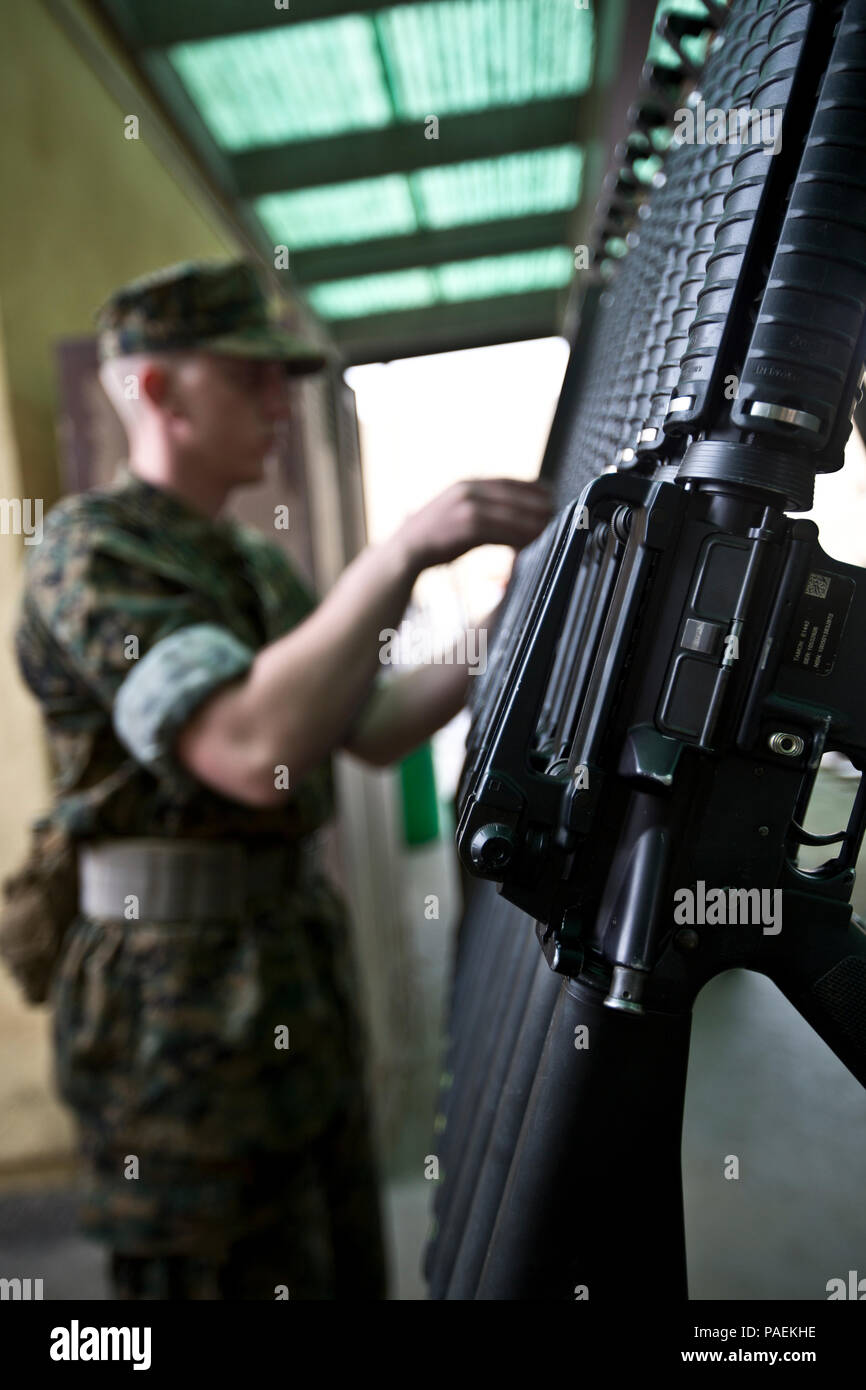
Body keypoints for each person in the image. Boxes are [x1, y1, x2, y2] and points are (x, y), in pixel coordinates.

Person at [12, 258, 553, 1300]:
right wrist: (398, 551)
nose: (278, 400)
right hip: (173, 1020)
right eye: (249, 375)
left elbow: (372, 728)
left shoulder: (254, 565)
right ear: (158, 387)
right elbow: (248, 751)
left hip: (291, 980)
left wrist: (511, 617)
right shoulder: (90, 549)